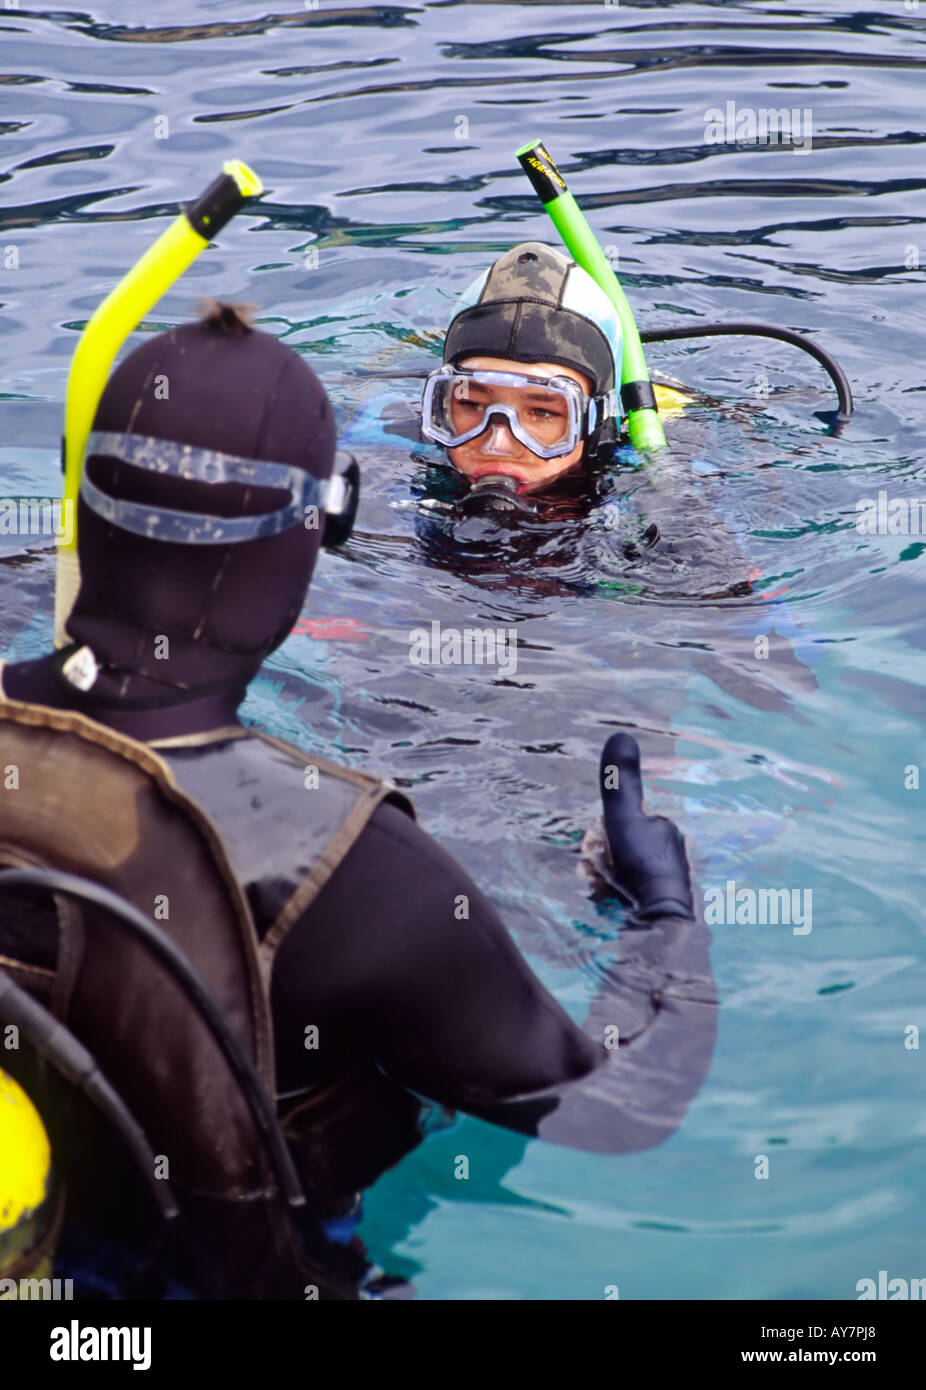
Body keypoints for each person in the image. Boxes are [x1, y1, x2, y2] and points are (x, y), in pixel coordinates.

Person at [0, 302, 717, 1300]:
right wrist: (665, 918)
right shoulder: (359, 876)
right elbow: (620, 1109)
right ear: (318, 532)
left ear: (79, 502)